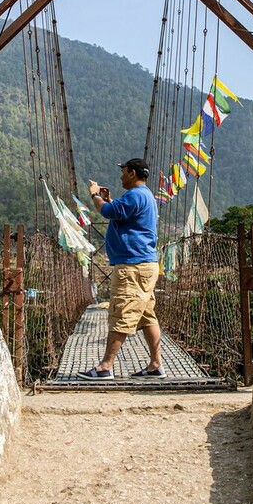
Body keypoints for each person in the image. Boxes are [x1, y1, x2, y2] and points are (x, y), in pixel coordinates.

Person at [77, 158, 164, 380]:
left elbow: (106, 212)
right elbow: (120, 212)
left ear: (132, 173)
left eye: (124, 171)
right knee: (146, 316)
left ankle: (105, 367)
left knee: (121, 313)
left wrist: (95, 195)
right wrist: (109, 200)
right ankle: (156, 365)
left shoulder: (135, 195)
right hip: (145, 265)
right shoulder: (145, 195)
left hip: (133, 266)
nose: (121, 176)